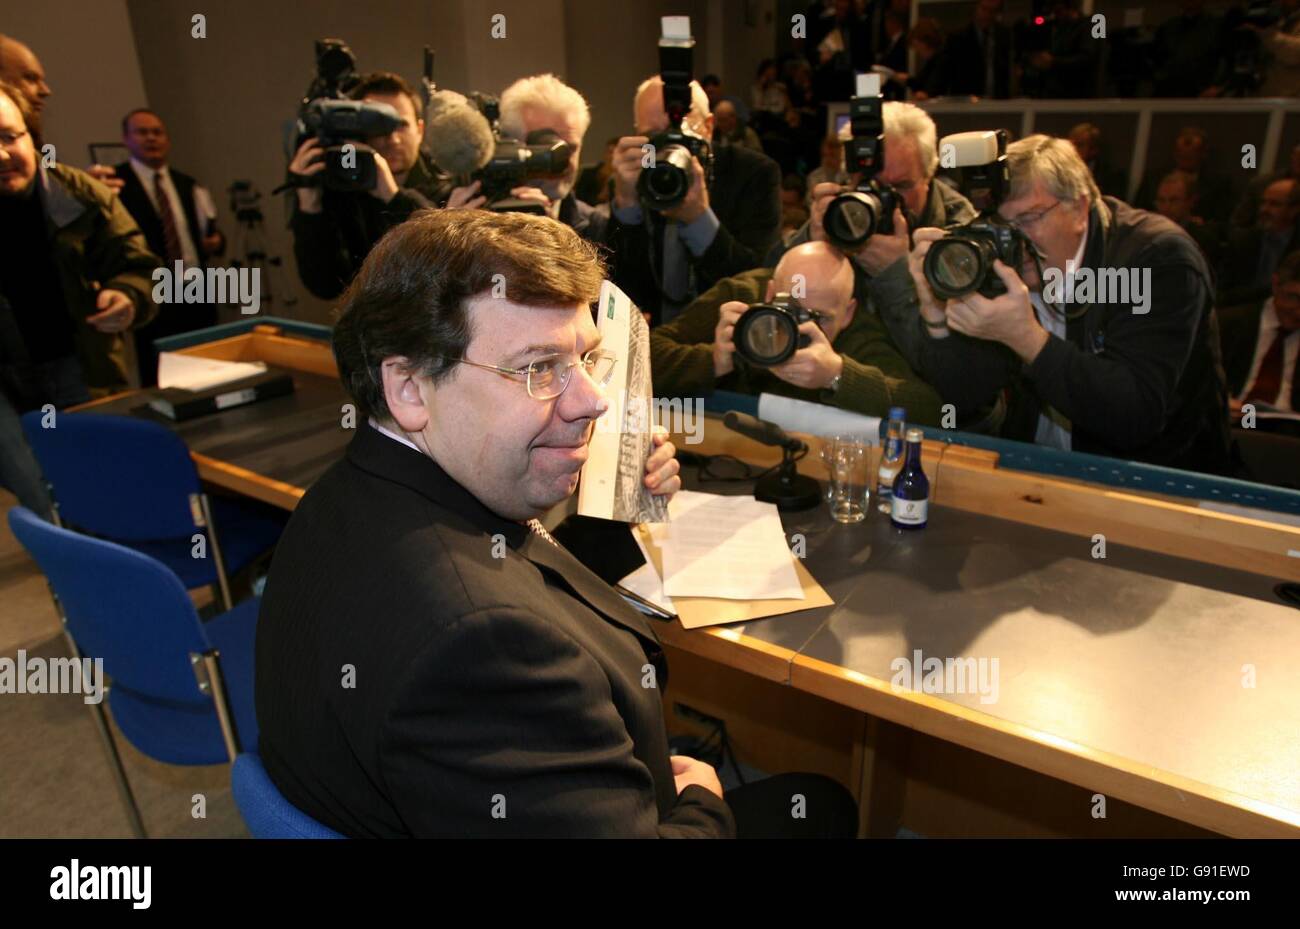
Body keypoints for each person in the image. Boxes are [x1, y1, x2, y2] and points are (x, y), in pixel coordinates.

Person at [256, 208, 857, 837]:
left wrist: (610, 501)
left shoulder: (344, 494)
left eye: (586, 359)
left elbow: (519, 569)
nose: (592, 400)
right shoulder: (481, 651)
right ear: (408, 388)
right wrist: (705, 802)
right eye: (539, 369)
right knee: (819, 805)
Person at [876, 134, 1231, 474]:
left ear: (1078, 209)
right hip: (1033, 473)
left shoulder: (1155, 259)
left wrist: (1027, 339)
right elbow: (965, 394)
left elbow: (1133, 417)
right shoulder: (1007, 262)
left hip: (1159, 487)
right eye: (1000, 225)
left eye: (1028, 219)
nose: (1015, 239)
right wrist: (936, 317)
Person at [0, 81, 157, 518]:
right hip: (6, 389)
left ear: (31, 135)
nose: (1, 154)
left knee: (106, 486)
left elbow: (142, 268)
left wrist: (127, 294)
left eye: (8, 136)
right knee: (40, 496)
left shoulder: (80, 195)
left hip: (82, 369)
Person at [650, 240, 943, 424]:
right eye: (789, 310)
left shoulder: (857, 333)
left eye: (820, 319)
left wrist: (839, 376)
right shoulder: (740, 297)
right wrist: (712, 361)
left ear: (848, 313)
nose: (802, 329)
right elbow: (642, 354)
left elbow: (928, 409)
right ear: (768, 292)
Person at [606, 76, 781, 326]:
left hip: (721, 344)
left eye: (679, 135)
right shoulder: (636, 177)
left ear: (708, 127)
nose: (667, 147)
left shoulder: (754, 173)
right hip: (651, 343)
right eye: (654, 135)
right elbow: (615, 288)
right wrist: (626, 206)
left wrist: (699, 219)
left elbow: (756, 282)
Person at [288, 71, 455, 299]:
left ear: (420, 130)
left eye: (401, 126)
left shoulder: (452, 186)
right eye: (380, 127)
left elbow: (445, 273)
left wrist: (393, 196)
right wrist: (310, 207)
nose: (393, 139)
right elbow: (326, 285)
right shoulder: (346, 192)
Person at [777, 101, 977, 268]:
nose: (886, 199)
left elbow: (958, 314)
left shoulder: (961, 227)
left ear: (929, 176)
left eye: (901, 186)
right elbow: (774, 285)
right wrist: (810, 241)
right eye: (872, 186)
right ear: (850, 179)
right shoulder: (843, 211)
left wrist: (897, 273)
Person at [110, 109, 224, 385]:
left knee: (208, 360)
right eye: (142, 132)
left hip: (195, 285)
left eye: (157, 132)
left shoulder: (187, 183)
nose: (151, 138)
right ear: (126, 139)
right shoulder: (115, 185)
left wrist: (218, 242)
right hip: (152, 290)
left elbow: (206, 228)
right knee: (161, 369)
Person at [498, 73, 609, 243]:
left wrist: (552, 241)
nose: (564, 163)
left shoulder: (596, 227)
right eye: (549, 150)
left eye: (570, 149)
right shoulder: (475, 220)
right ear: (511, 147)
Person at [1220, 249, 1300, 418]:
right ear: (1276, 284)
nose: (1298, 313)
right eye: (1294, 297)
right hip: (1233, 422)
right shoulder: (1228, 325)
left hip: (1289, 433)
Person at [1152, 171, 1224, 267]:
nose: (1166, 207)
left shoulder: (1202, 240)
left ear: (1190, 202)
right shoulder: (1148, 235)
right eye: (1161, 200)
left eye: (1174, 200)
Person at [943, 0, 1012, 99]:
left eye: (993, 11)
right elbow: (944, 70)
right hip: (967, 101)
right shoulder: (958, 38)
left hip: (998, 100)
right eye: (984, 9)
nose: (987, 15)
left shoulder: (1004, 35)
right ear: (976, 8)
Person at [1066, 123, 1125, 199]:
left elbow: (1112, 207)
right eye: (1071, 144)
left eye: (1079, 145)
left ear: (1093, 150)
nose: (1073, 149)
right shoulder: (1060, 170)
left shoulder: (1112, 175)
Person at [574, 136, 618, 206]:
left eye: (617, 153)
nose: (612, 156)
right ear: (605, 153)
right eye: (610, 152)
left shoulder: (626, 178)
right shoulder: (588, 174)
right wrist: (599, 198)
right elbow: (579, 199)